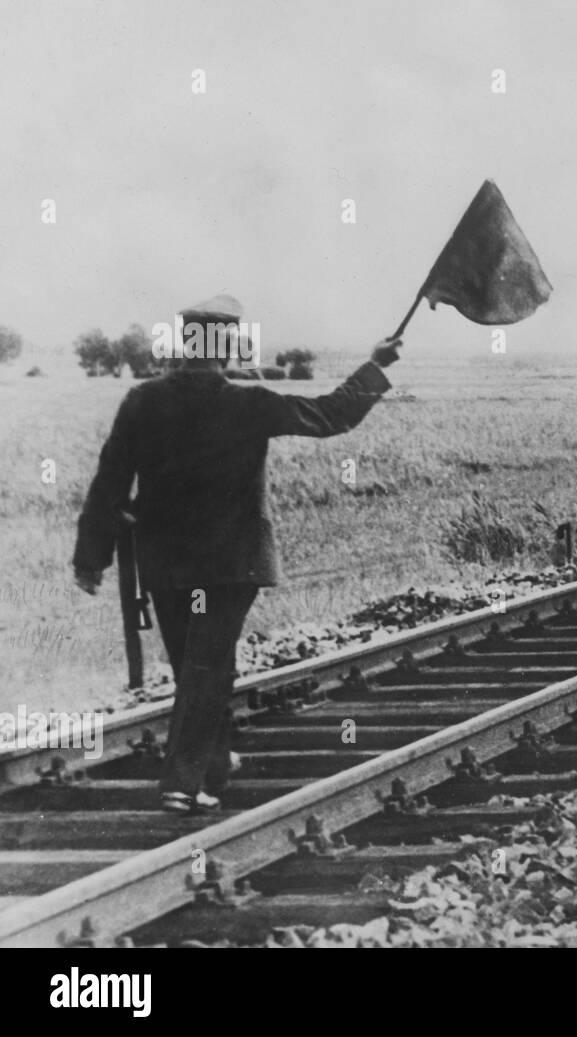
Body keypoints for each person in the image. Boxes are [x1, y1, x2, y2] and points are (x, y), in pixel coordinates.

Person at [72, 294, 401, 813]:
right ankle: (183, 781)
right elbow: (331, 415)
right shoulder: (249, 403)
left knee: (194, 665)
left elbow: (109, 479)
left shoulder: (142, 401)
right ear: (227, 349)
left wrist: (90, 557)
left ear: (182, 345)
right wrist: (376, 364)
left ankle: (214, 765)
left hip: (168, 563)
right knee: (206, 664)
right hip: (230, 564)